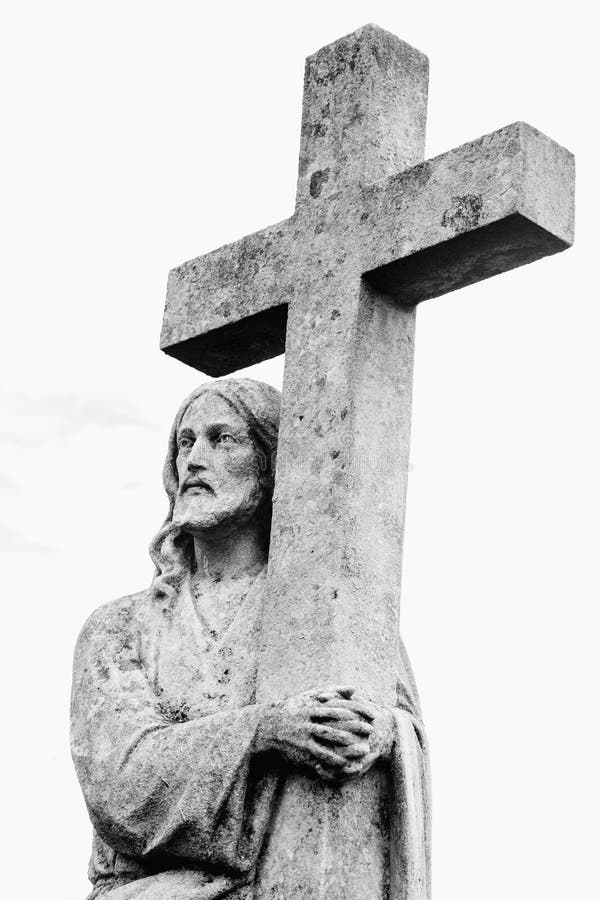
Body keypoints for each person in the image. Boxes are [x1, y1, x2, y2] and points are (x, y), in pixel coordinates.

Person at [71, 378, 429, 899]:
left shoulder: (332, 618)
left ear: (269, 466)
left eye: (222, 440)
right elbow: (121, 786)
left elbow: (407, 734)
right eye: (185, 442)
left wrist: (384, 736)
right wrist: (265, 732)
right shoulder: (118, 629)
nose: (194, 459)